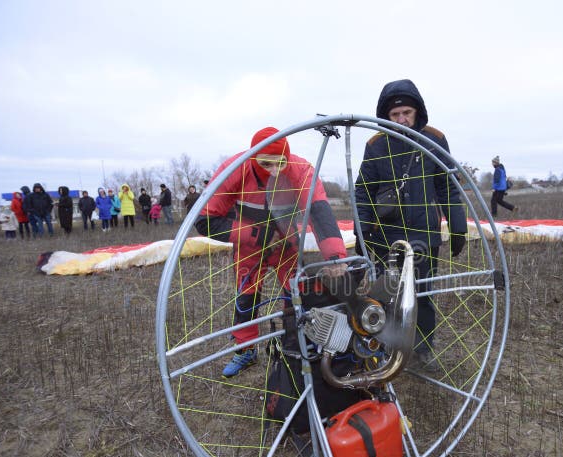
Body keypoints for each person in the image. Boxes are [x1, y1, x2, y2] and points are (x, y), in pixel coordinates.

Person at [196, 126, 347, 378]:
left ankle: (292, 344)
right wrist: (261, 235)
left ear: (288, 157)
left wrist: (335, 257)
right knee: (247, 295)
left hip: (287, 244)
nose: (274, 171)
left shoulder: (301, 171)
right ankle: (245, 349)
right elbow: (205, 220)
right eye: (266, 164)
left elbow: (320, 211)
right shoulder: (235, 168)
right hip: (249, 245)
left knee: (295, 292)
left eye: (280, 164)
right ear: (254, 159)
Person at [354, 79, 467, 371]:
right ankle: (387, 348)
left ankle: (422, 350)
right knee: (385, 294)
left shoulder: (434, 139)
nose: (402, 119)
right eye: (395, 115)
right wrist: (362, 231)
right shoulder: (376, 145)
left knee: (423, 296)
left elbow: (448, 186)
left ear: (417, 111)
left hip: (424, 235)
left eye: (407, 112)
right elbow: (363, 190)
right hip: (385, 237)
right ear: (385, 116)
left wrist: (457, 226)